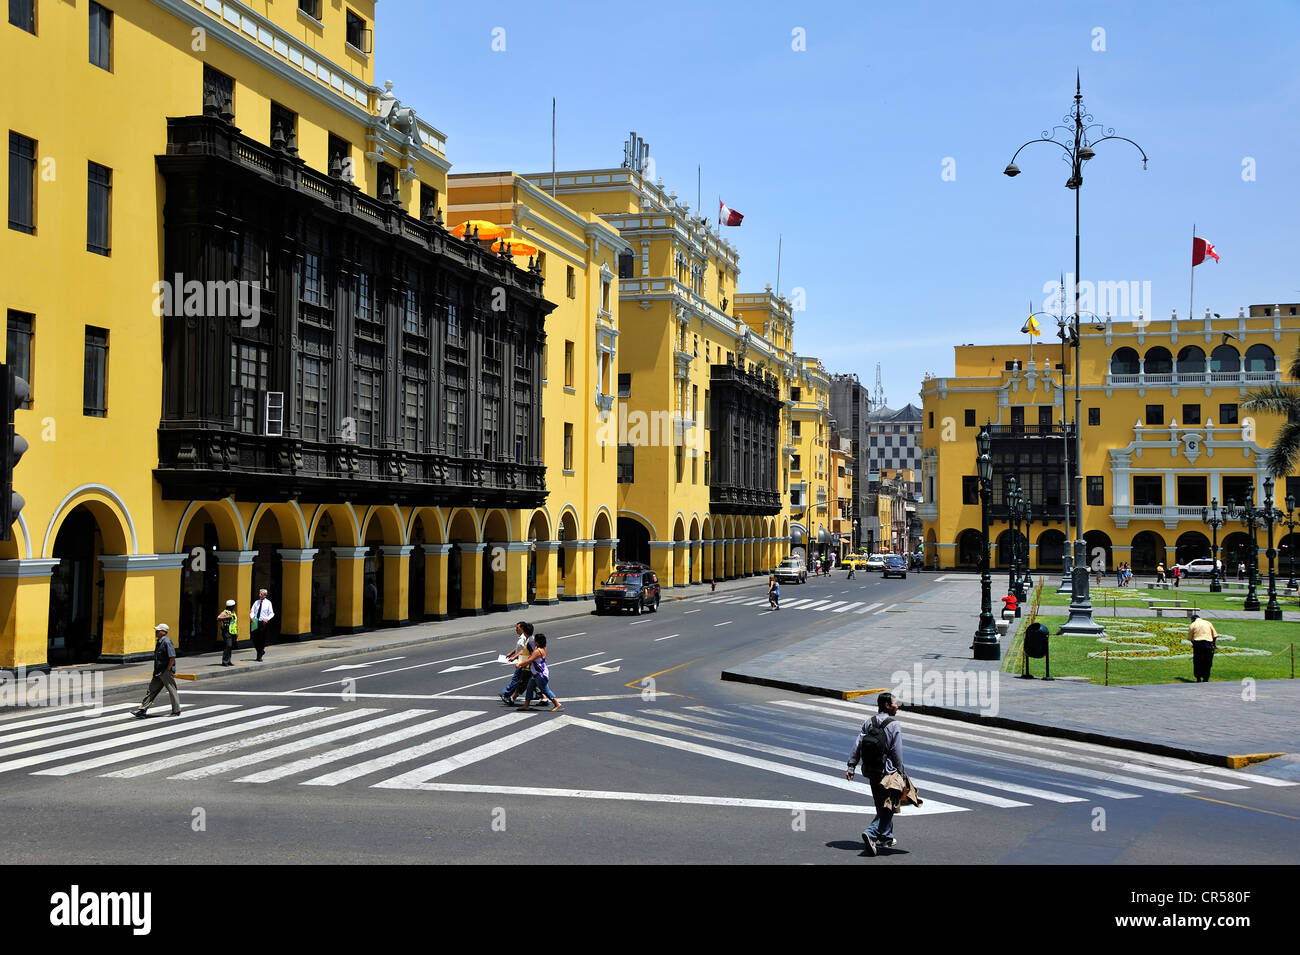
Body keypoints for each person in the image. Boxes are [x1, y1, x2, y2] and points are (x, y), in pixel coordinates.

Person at [845, 692, 905, 856]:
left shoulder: (868, 722)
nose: (897, 706)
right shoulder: (894, 725)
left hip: (870, 770)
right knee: (889, 806)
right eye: (894, 703)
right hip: (887, 772)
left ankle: (886, 837)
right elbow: (896, 751)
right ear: (887, 705)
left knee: (881, 803)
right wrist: (901, 771)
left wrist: (851, 766)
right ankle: (871, 833)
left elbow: (857, 744)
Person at [133, 624, 181, 718]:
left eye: (158, 630)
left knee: (172, 690)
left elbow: (172, 657)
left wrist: (168, 669)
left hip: (165, 671)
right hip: (158, 671)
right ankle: (142, 710)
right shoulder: (159, 641)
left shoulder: (166, 642)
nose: (156, 632)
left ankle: (176, 711)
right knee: (151, 690)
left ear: (164, 632)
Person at [517, 633, 562, 712]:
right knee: (530, 688)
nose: (533, 641)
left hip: (540, 674)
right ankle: (526, 705)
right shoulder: (542, 649)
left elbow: (529, 660)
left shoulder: (537, 651)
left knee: (545, 690)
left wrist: (520, 664)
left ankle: (557, 704)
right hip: (536, 674)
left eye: (535, 640)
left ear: (537, 642)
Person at [500, 621, 535, 705]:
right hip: (524, 662)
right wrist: (512, 653)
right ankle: (542, 697)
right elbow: (520, 648)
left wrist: (516, 659)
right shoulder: (525, 638)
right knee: (533, 682)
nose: (516, 630)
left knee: (519, 680)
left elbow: (524, 650)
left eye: (517, 628)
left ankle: (508, 694)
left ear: (523, 629)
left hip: (524, 662)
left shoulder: (526, 639)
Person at [1189, 612, 1218, 682]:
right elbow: (1215, 635)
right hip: (1208, 644)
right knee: (1208, 661)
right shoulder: (1208, 623)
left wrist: (1194, 644)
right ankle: (1206, 677)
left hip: (1198, 644)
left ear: (1193, 619)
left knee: (1197, 661)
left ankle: (1198, 677)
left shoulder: (1193, 624)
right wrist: (1214, 645)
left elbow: (1190, 638)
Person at [250, 588, 275, 662]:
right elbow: (252, 611)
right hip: (255, 621)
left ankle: (259, 655)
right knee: (254, 638)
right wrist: (252, 617)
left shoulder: (268, 603)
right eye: (259, 593)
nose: (259, 595)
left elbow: (271, 613)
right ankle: (260, 651)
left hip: (263, 622)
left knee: (261, 638)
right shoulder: (256, 602)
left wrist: (267, 619)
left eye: (261, 594)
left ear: (265, 595)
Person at [217, 599, 238, 666]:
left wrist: (237, 632)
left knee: (230, 646)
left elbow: (235, 623)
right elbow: (218, 618)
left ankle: (228, 661)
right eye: (233, 605)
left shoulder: (233, 612)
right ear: (231, 606)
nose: (234, 606)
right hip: (226, 631)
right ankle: (225, 661)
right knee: (228, 645)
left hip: (233, 632)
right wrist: (226, 617)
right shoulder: (225, 612)